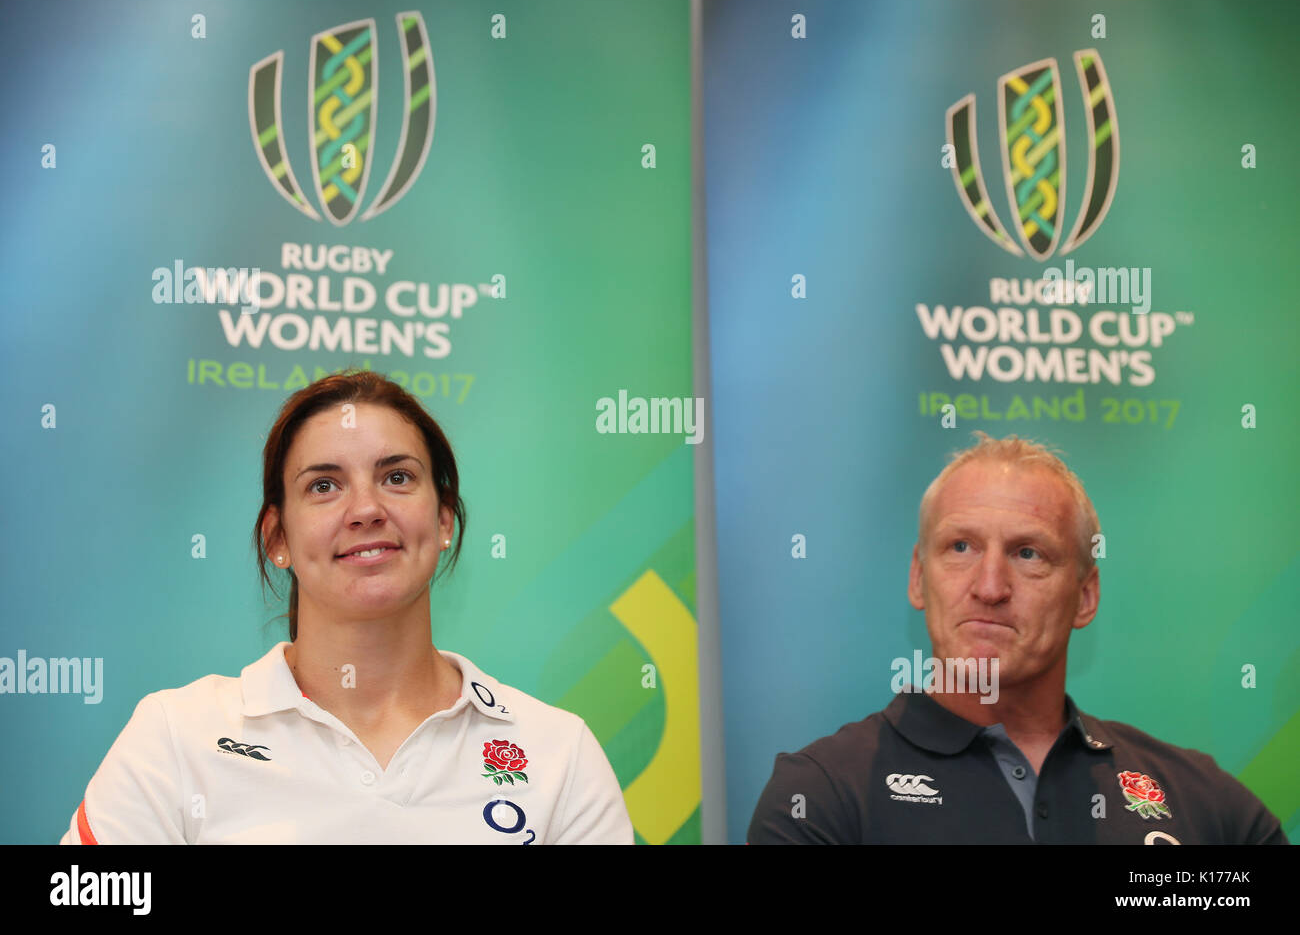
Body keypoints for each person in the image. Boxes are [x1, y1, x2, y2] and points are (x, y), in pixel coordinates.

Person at [61, 370, 633, 844]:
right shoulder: (174, 739)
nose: (365, 509)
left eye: (397, 477)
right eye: (324, 486)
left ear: (443, 523)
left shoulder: (559, 754)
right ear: (276, 538)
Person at [747, 432, 1288, 844]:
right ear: (918, 577)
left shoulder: (1206, 805)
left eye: (1029, 553)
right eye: (960, 547)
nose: (989, 587)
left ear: (1085, 596)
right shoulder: (819, 797)